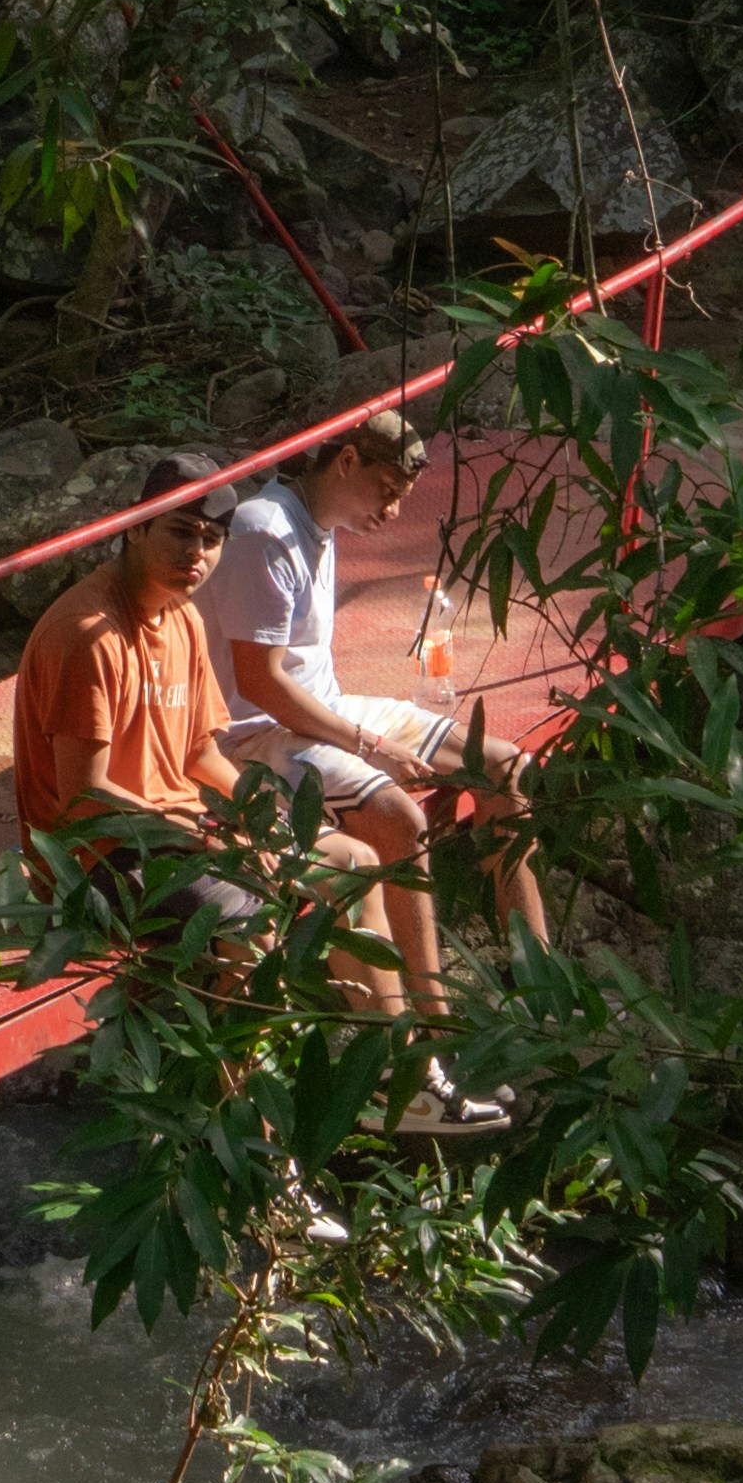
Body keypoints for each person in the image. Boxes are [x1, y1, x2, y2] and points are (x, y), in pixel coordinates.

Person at [197, 408, 539, 1121]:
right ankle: (433, 1034)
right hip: (258, 733)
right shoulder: (265, 531)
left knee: (505, 768)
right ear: (345, 461)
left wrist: (359, 731)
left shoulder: (321, 525)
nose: (392, 510)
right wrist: (366, 744)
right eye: (386, 490)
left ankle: (538, 993)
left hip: (325, 705)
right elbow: (259, 684)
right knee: (400, 817)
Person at [8, 452, 391, 1007]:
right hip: (96, 857)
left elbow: (199, 753)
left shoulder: (183, 616)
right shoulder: (88, 635)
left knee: (355, 865)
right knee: (250, 915)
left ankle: (405, 1068)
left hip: (179, 826)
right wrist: (202, 834)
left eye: (212, 540)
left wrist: (259, 818)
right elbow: (84, 799)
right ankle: (239, 1086)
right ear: (135, 527)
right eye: (181, 532)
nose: (196, 553)